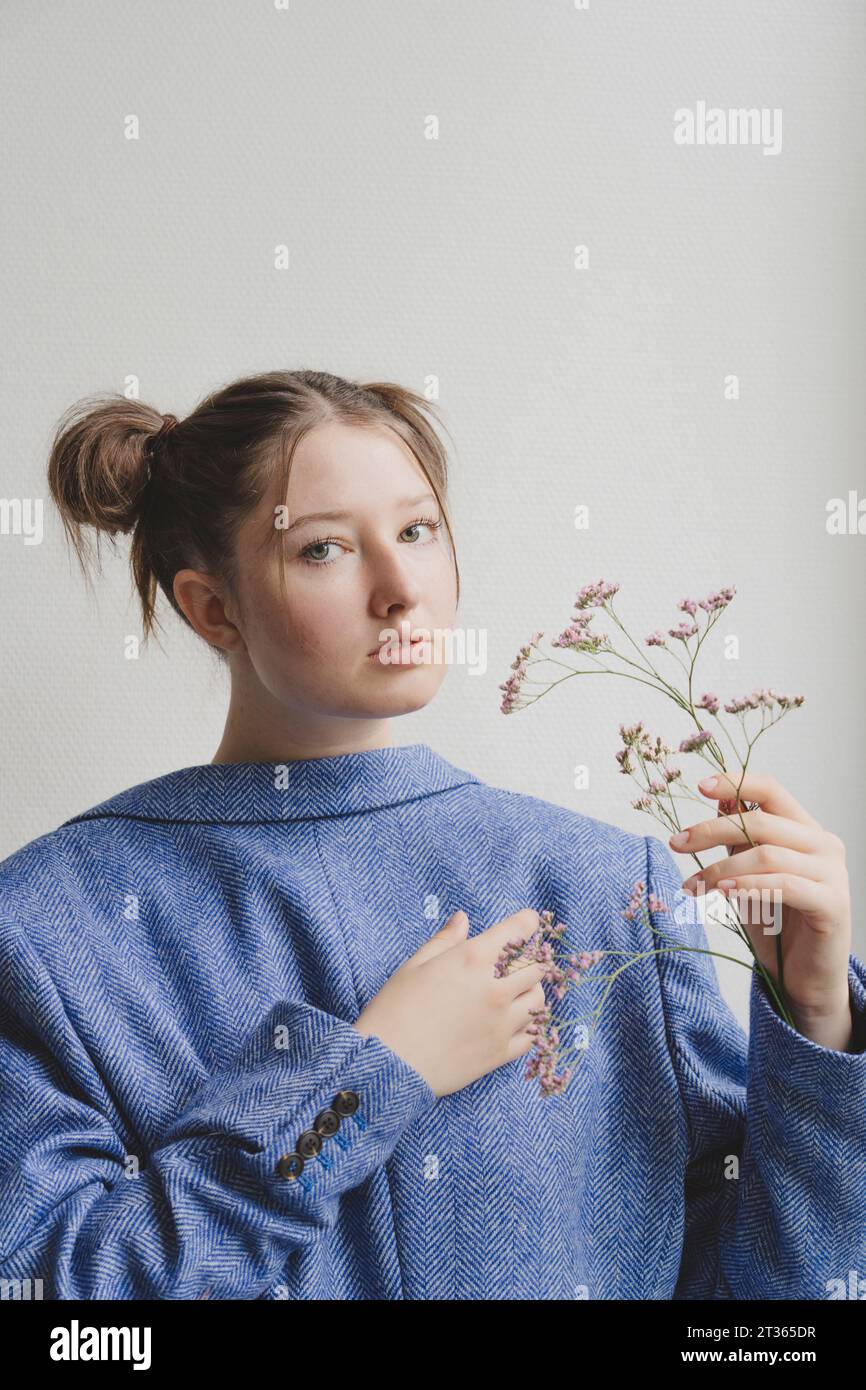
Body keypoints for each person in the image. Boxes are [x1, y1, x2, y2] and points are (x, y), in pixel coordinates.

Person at [0, 369, 863, 1300]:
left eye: (417, 531)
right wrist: (368, 1080)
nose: (402, 588)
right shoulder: (52, 926)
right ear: (213, 608)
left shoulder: (608, 885)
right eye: (326, 549)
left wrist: (820, 1025)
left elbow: (765, 1329)